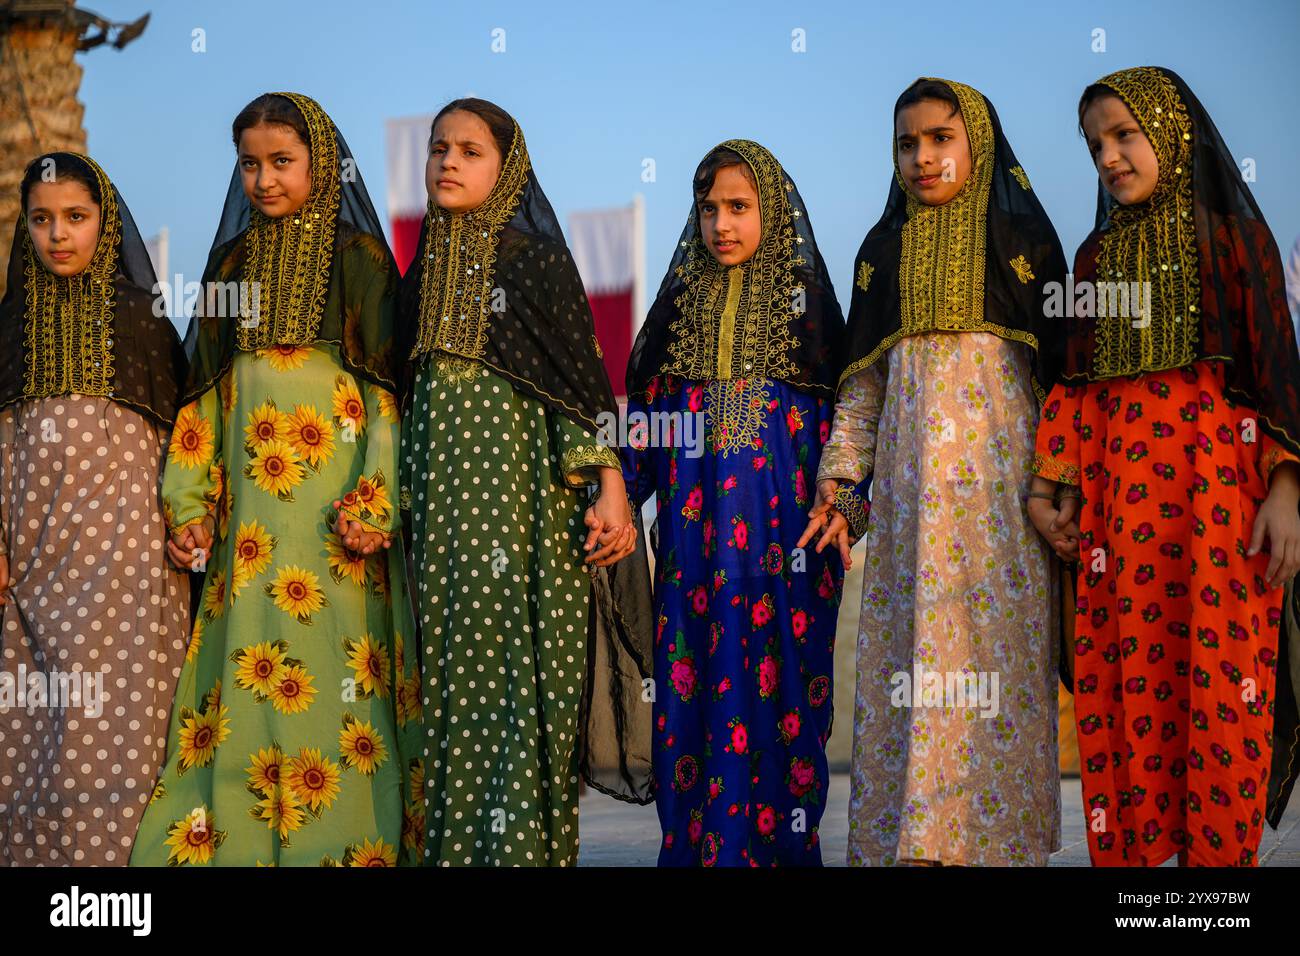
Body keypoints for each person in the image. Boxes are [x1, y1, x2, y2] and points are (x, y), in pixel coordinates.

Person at [130, 93, 420, 867]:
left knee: (342, 691)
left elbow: (386, 394)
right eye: (249, 165)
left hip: (342, 531)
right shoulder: (230, 266)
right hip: (251, 536)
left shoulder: (359, 261)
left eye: (280, 162)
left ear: (321, 165)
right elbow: (206, 395)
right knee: (248, 693)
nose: (262, 180)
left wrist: (379, 503)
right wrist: (188, 501)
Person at [1030, 66, 1300, 866]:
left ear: (1173, 133)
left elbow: (1278, 371)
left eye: (1124, 135)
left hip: (1221, 512)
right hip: (1121, 525)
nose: (1108, 157)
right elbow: (1075, 392)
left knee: (1221, 703)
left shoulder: (1233, 242)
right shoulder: (1092, 261)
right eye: (1094, 146)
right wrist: (1047, 492)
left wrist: (1288, 491)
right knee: (1127, 702)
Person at [806, 78, 1069, 866]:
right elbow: (863, 391)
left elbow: (1063, 389)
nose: (922, 158)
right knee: (909, 680)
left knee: (994, 684)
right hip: (910, 524)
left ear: (976, 144)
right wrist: (843, 489)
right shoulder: (879, 255)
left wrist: (1057, 484)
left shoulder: (1028, 248)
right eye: (906, 144)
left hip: (1004, 524)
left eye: (940, 139)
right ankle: (914, 848)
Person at [397, 98, 653, 867]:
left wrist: (608, 483)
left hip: (530, 524)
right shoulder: (416, 281)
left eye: (470, 151)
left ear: (507, 170)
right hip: (436, 524)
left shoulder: (536, 264)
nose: (447, 161)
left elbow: (576, 388)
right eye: (439, 147)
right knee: (445, 698)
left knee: (523, 697)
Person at [625, 139, 852, 866]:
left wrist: (849, 498)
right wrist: (610, 496)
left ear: (774, 214)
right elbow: (645, 438)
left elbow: (845, 427)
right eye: (708, 208)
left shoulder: (807, 311)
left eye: (739, 207)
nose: (721, 223)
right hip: (693, 561)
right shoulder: (676, 314)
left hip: (788, 556)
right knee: (692, 711)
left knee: (786, 706)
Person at [0, 152, 190, 866]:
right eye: (42, 219)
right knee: (32, 734)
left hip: (128, 569)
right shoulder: (8, 328)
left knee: (117, 736)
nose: (58, 235)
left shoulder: (139, 320)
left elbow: (181, 439)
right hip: (32, 568)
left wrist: (187, 522)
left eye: (76, 217)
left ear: (104, 225)